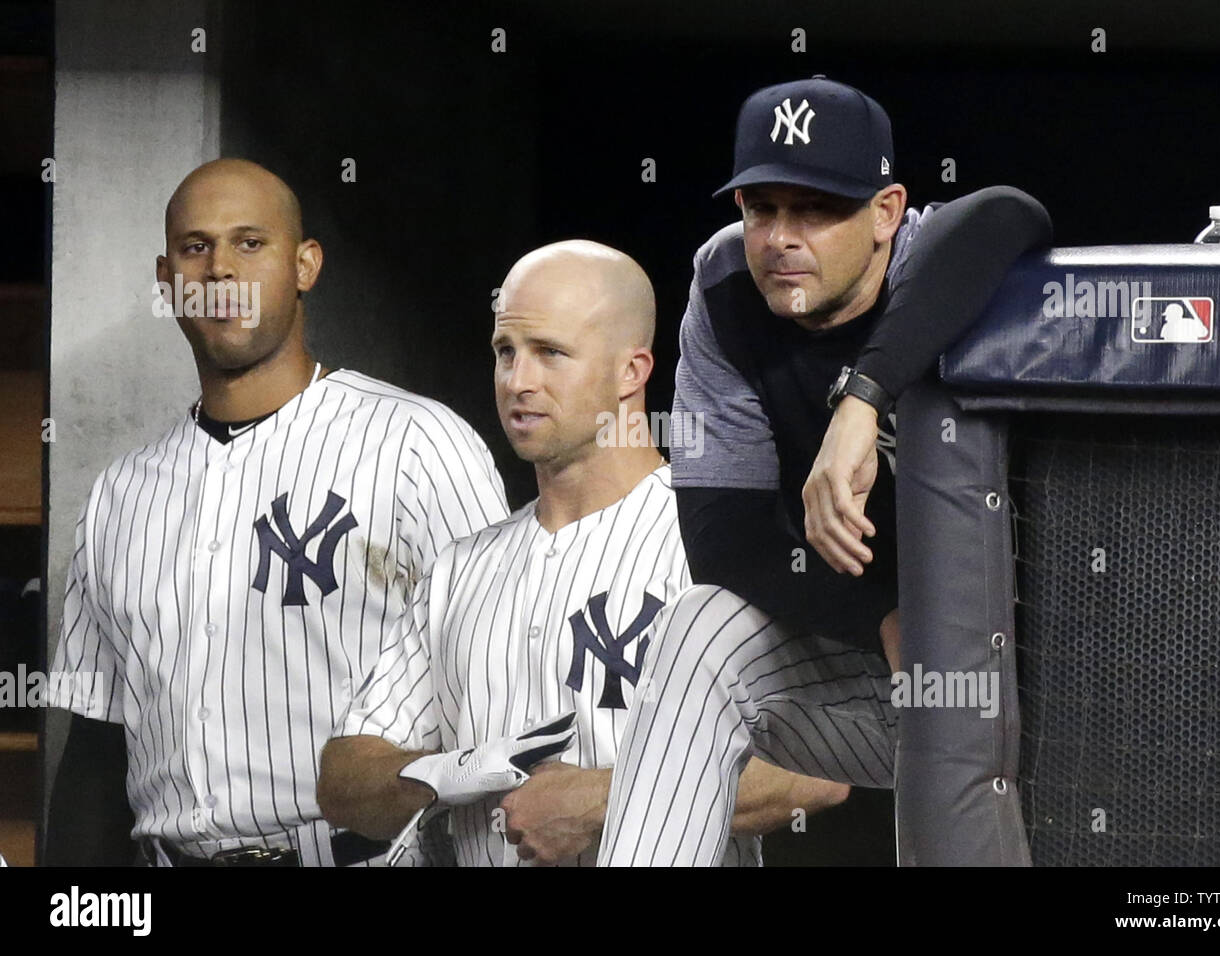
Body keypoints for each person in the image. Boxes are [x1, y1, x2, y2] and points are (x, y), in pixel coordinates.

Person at [597, 76, 1053, 865]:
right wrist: (881, 618)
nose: (780, 237)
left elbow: (1012, 212)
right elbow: (723, 539)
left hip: (1028, 688)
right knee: (697, 627)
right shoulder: (727, 286)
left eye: (815, 209)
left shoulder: (937, 260)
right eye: (761, 208)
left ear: (885, 213)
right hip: (877, 671)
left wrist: (862, 400)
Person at [316, 240, 846, 866]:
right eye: (504, 352)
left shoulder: (722, 541)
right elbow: (344, 779)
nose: (518, 381)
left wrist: (603, 801)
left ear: (632, 370)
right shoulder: (459, 569)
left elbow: (822, 771)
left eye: (550, 353)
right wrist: (450, 772)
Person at [46, 159, 509, 866]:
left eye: (250, 243)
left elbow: (499, 696)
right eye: (196, 248)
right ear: (167, 278)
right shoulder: (119, 494)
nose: (220, 271)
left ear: (305, 265)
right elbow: (97, 747)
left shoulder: (417, 444)